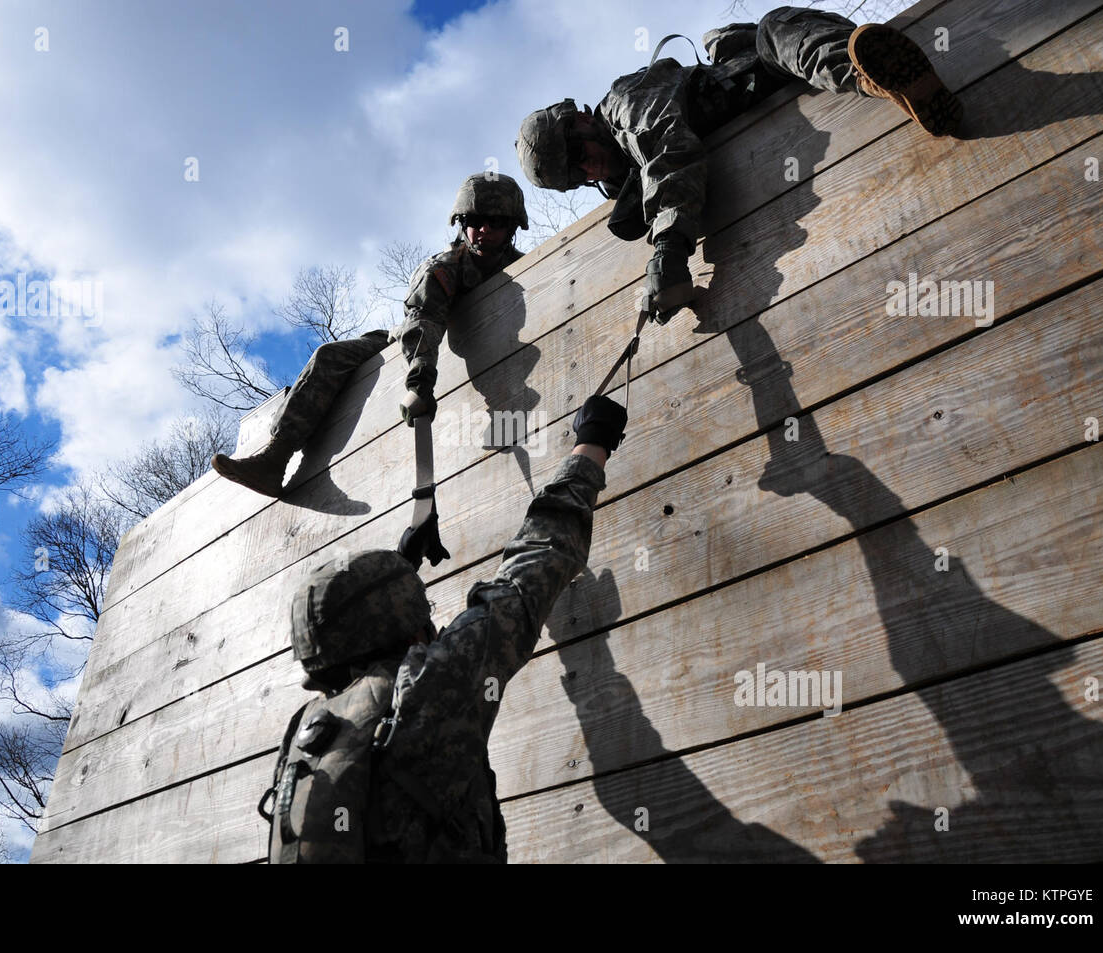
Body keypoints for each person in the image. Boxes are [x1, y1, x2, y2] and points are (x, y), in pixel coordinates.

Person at [259, 395, 628, 863]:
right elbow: (531, 570)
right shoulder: (421, 689)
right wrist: (590, 447)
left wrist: (397, 572)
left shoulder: (312, 728)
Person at [515, 10, 963, 325]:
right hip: (773, 167)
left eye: (577, 153)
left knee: (776, 30)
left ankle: (871, 69)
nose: (587, 168)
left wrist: (669, 251)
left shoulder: (623, 105)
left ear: (581, 120)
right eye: (575, 176)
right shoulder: (629, 194)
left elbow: (666, 150)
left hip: (761, 77)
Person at [212, 173, 529, 497]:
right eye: (475, 220)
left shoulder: (527, 271)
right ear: (462, 224)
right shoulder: (442, 269)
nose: (484, 230)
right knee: (330, 356)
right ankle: (274, 459)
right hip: (408, 344)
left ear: (513, 228)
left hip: (485, 356)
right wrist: (419, 384)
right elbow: (423, 324)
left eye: (495, 221)